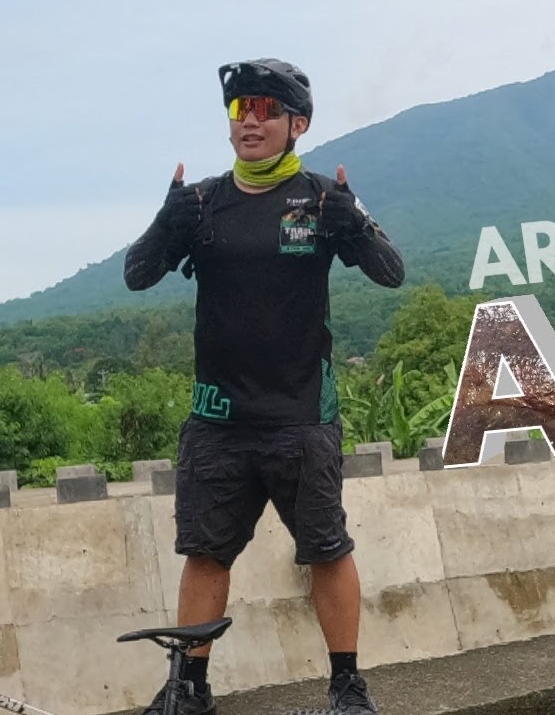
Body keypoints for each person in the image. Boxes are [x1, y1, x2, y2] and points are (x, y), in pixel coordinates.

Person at [124, 58, 405, 715]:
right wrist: (166, 225)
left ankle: (347, 687)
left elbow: (391, 272)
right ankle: (188, 687)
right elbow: (138, 274)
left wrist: (354, 225)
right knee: (205, 553)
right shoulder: (201, 203)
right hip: (217, 419)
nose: (248, 121)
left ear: (296, 123)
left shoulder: (322, 198)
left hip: (302, 417)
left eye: (265, 109)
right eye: (238, 109)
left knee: (326, 549)